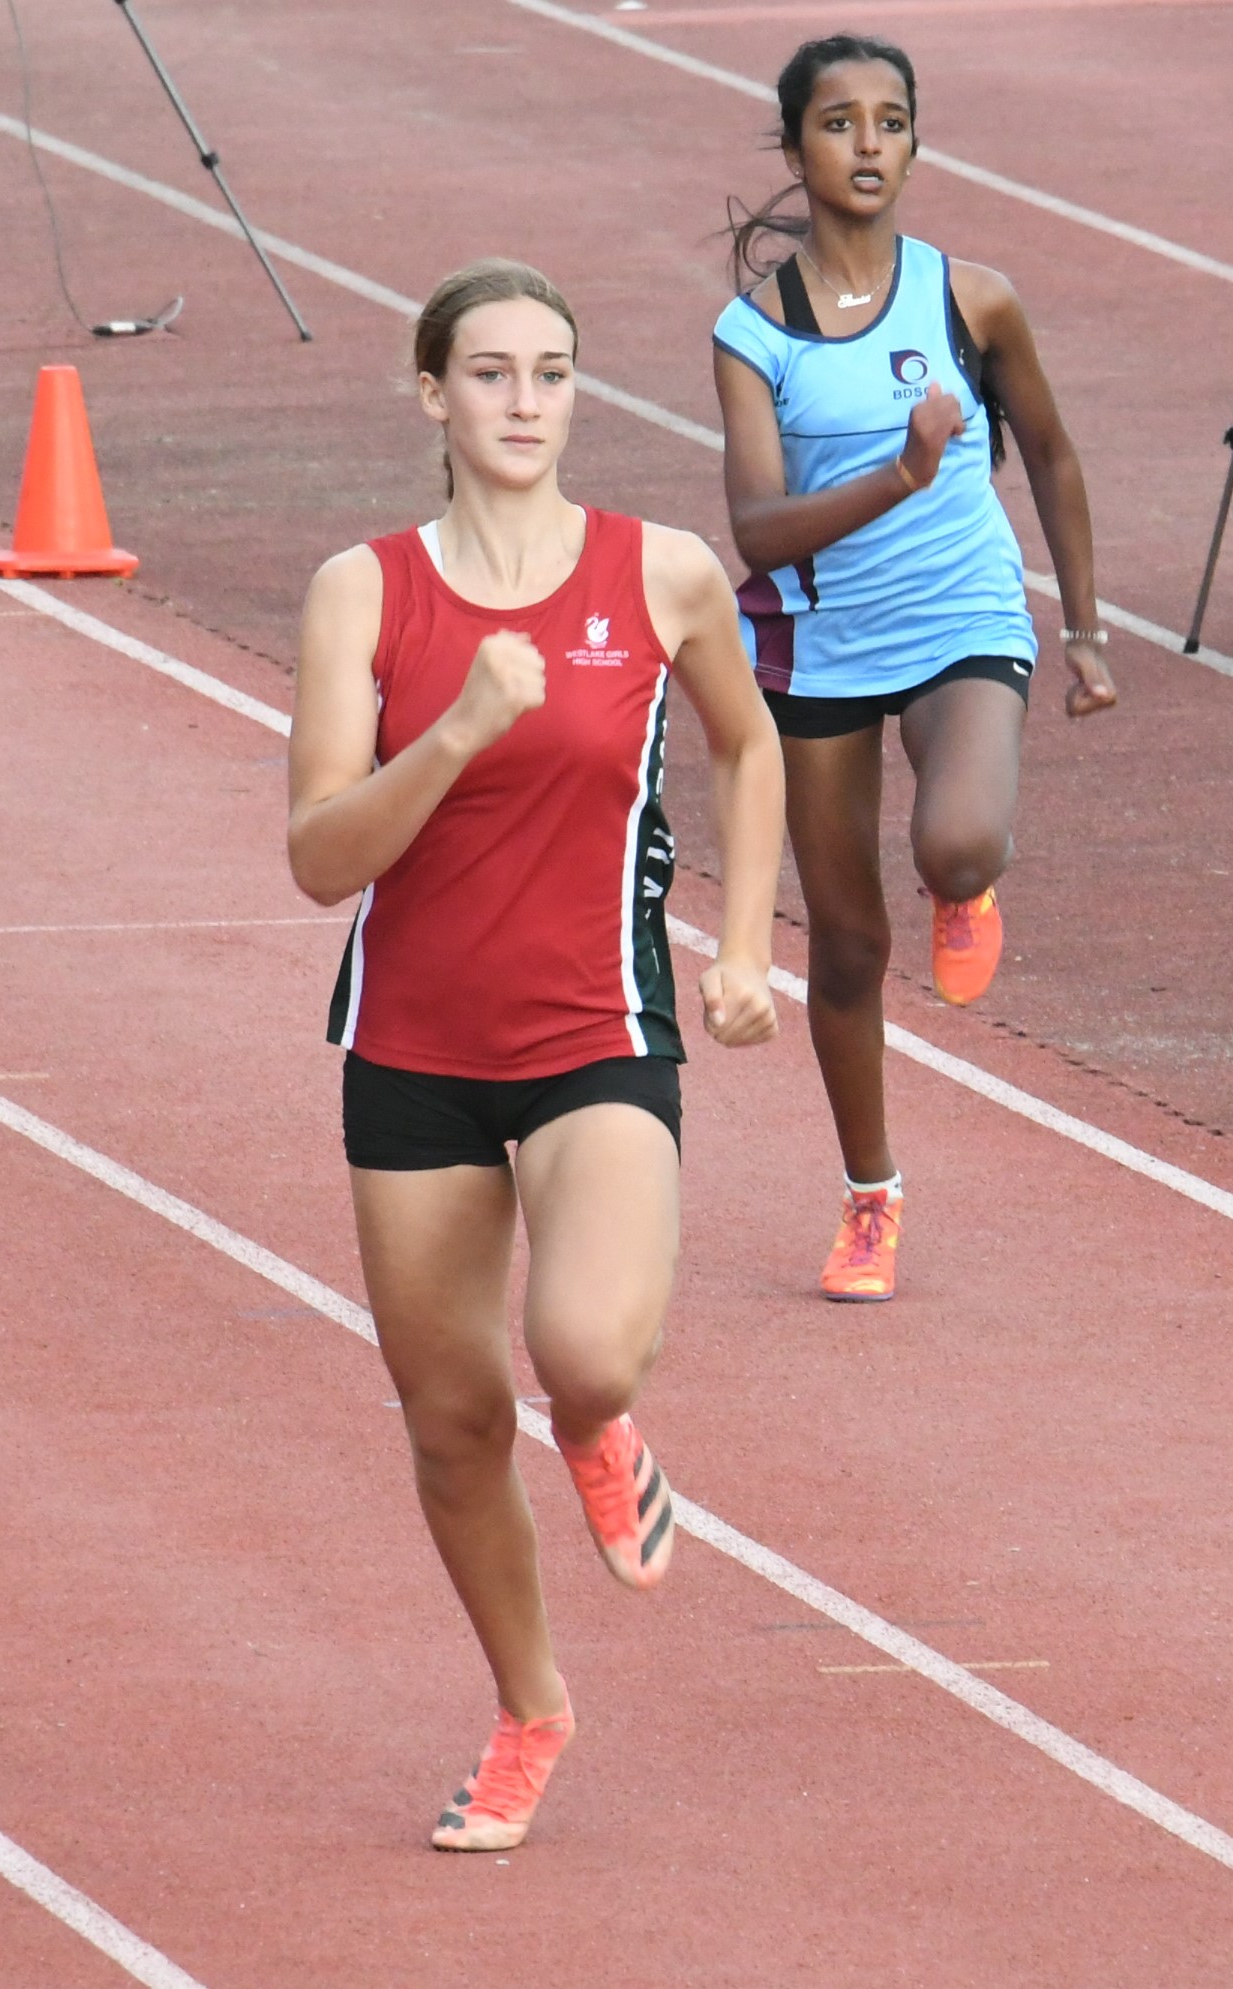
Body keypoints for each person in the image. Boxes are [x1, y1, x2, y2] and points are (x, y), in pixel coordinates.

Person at [287, 259, 784, 1852]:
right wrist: (453, 732)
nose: (522, 402)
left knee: (579, 1349)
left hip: (598, 1033)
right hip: (412, 1046)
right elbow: (317, 856)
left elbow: (746, 738)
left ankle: (595, 1423)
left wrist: (747, 940)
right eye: (489, 374)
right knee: (443, 1419)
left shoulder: (659, 574)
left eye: (550, 373)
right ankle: (527, 1709)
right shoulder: (362, 591)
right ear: (431, 395)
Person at [712, 35, 1117, 1306]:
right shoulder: (754, 333)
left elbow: (1048, 453)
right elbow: (759, 530)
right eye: (840, 123)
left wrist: (1090, 631)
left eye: (893, 121)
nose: (870, 144)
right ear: (795, 149)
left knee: (953, 844)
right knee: (842, 945)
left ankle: (968, 884)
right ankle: (871, 1199)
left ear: (916, 144)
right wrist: (899, 469)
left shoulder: (970, 299)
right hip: (820, 639)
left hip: (961, 616)